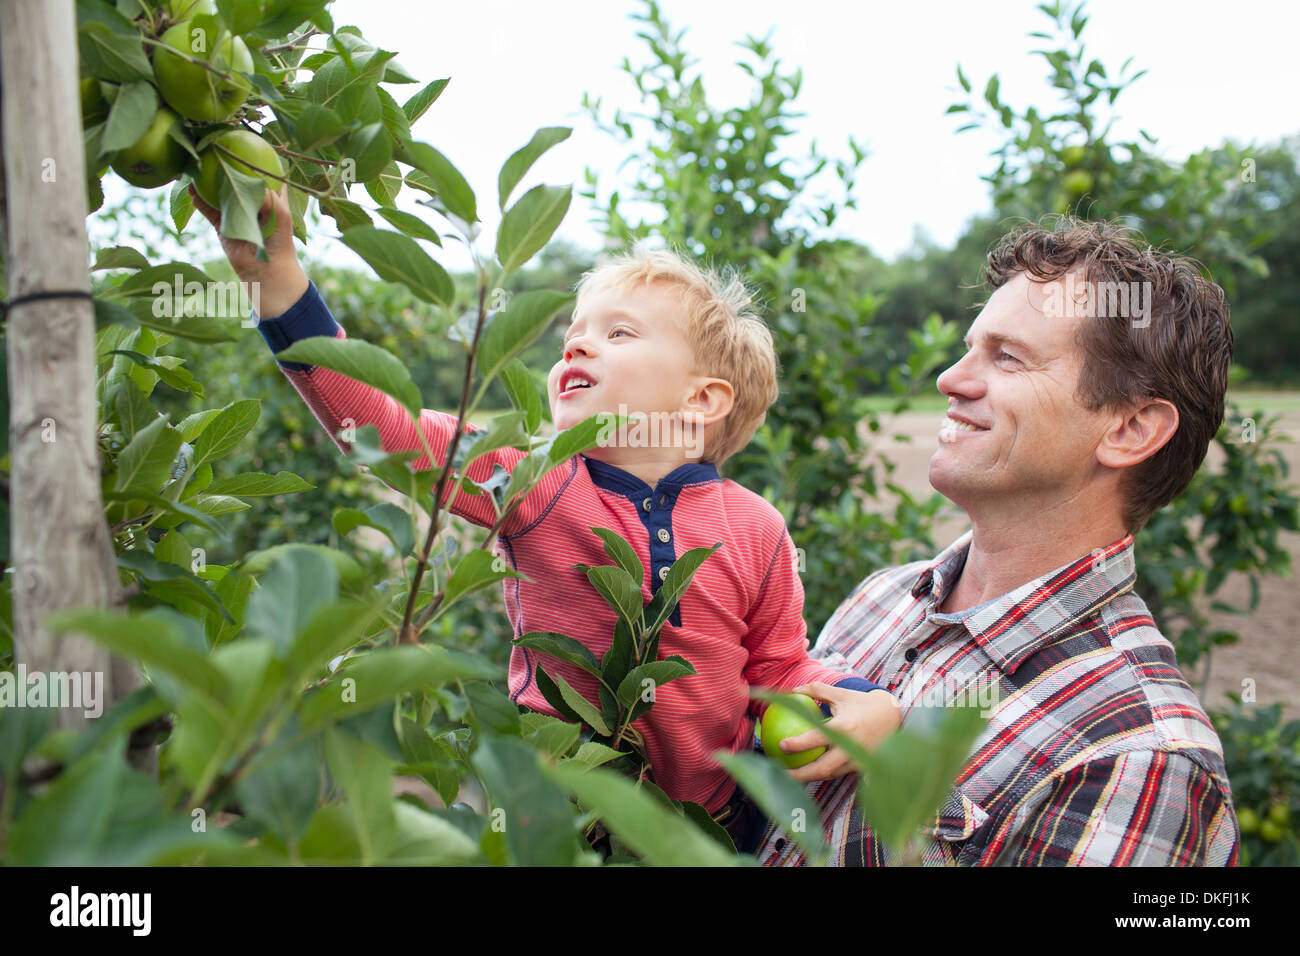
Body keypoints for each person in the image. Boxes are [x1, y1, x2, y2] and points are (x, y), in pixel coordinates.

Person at [190, 184, 901, 854]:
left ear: (702, 400)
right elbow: (384, 429)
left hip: (713, 836)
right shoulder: (537, 480)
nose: (576, 345)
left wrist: (871, 705)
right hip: (560, 825)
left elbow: (779, 666)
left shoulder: (756, 528)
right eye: (572, 333)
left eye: (619, 333)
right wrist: (274, 275)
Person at [758, 216, 1242, 866]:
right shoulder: (883, 599)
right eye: (969, 347)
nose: (950, 379)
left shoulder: (1138, 756)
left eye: (1007, 357)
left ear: (1129, 429)